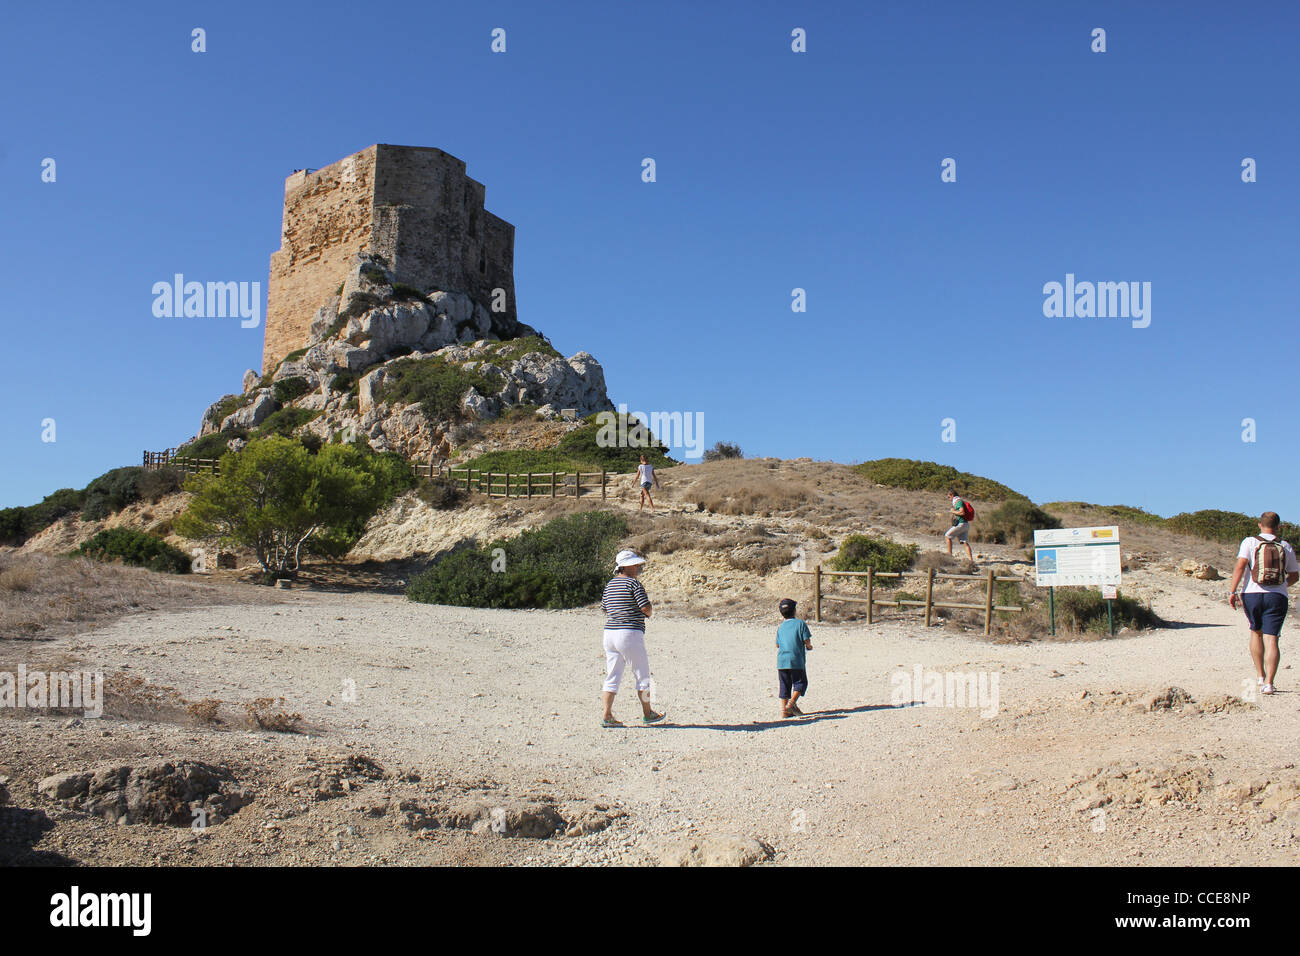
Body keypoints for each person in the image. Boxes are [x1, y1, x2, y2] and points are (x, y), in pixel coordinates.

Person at [1228, 512, 1299, 695]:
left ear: (1260, 525)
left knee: (1255, 632)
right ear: (1279, 526)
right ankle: (1269, 683)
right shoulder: (1285, 546)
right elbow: (1294, 575)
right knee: (1272, 638)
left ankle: (1260, 675)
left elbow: (1240, 565)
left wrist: (1232, 590)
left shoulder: (1250, 542)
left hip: (1251, 594)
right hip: (1277, 596)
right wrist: (1282, 584)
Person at [600, 549, 665, 727]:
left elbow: (605, 608)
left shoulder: (609, 585)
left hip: (610, 633)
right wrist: (649, 612)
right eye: (635, 565)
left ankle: (607, 715)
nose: (638, 568)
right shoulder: (634, 584)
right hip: (629, 633)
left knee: (612, 675)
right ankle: (648, 713)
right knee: (642, 675)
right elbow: (645, 608)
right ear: (627, 567)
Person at [775, 598, 813, 718]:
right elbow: (806, 639)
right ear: (794, 611)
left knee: (784, 685)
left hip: (781, 661)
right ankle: (791, 704)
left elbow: (777, 644)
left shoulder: (780, 627)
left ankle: (784, 711)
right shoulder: (800, 624)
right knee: (800, 682)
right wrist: (808, 646)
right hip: (796, 660)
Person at [944, 488, 974, 562]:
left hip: (961, 524)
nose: (949, 499)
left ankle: (949, 556)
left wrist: (953, 511)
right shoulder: (959, 501)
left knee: (947, 536)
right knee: (964, 542)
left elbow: (962, 512)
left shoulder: (958, 502)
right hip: (965, 525)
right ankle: (971, 561)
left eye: (948, 497)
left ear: (952, 495)